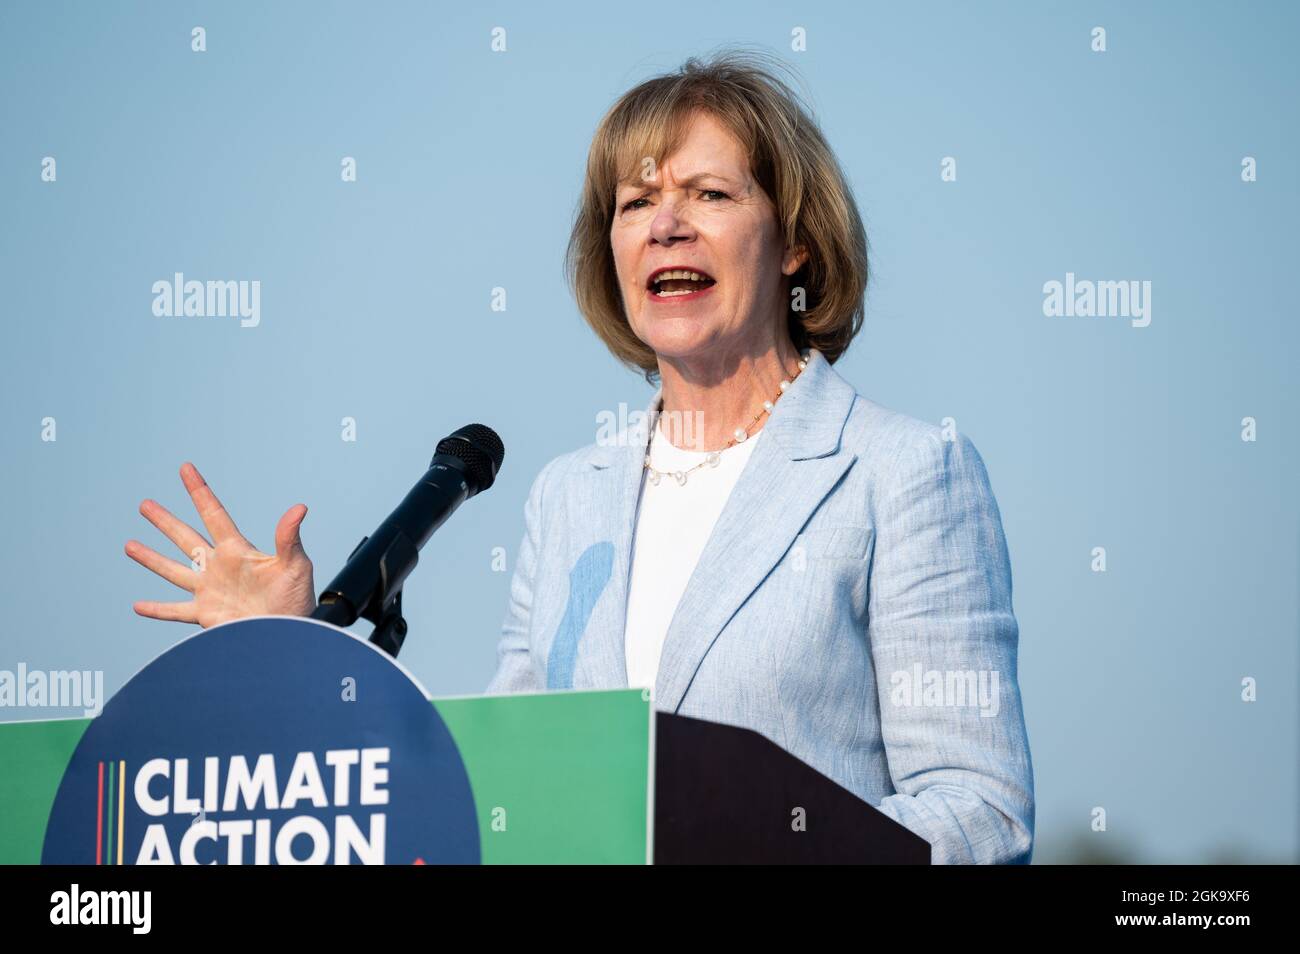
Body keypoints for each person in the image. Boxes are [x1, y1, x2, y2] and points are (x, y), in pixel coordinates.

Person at [126, 49, 1033, 864]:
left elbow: (980, 814)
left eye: (710, 195)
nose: (665, 226)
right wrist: (288, 657)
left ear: (795, 239)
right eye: (636, 203)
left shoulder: (902, 472)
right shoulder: (571, 499)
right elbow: (492, 791)